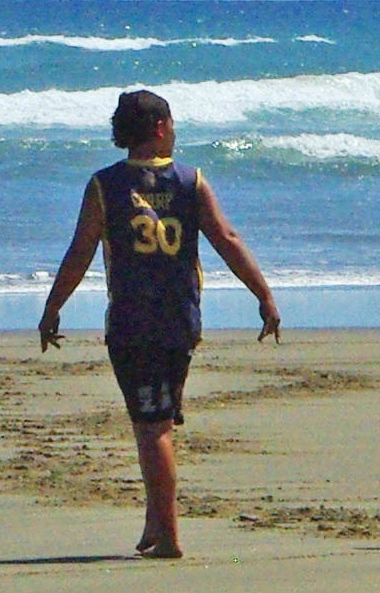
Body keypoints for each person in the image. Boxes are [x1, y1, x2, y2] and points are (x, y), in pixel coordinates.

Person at [37, 89, 281, 558]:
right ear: (160, 128)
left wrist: (53, 308)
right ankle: (155, 524)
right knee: (157, 421)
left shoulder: (104, 185)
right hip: (181, 321)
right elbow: (227, 239)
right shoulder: (190, 181)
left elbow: (80, 251)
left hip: (132, 324)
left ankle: (168, 535)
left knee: (152, 429)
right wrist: (264, 295)